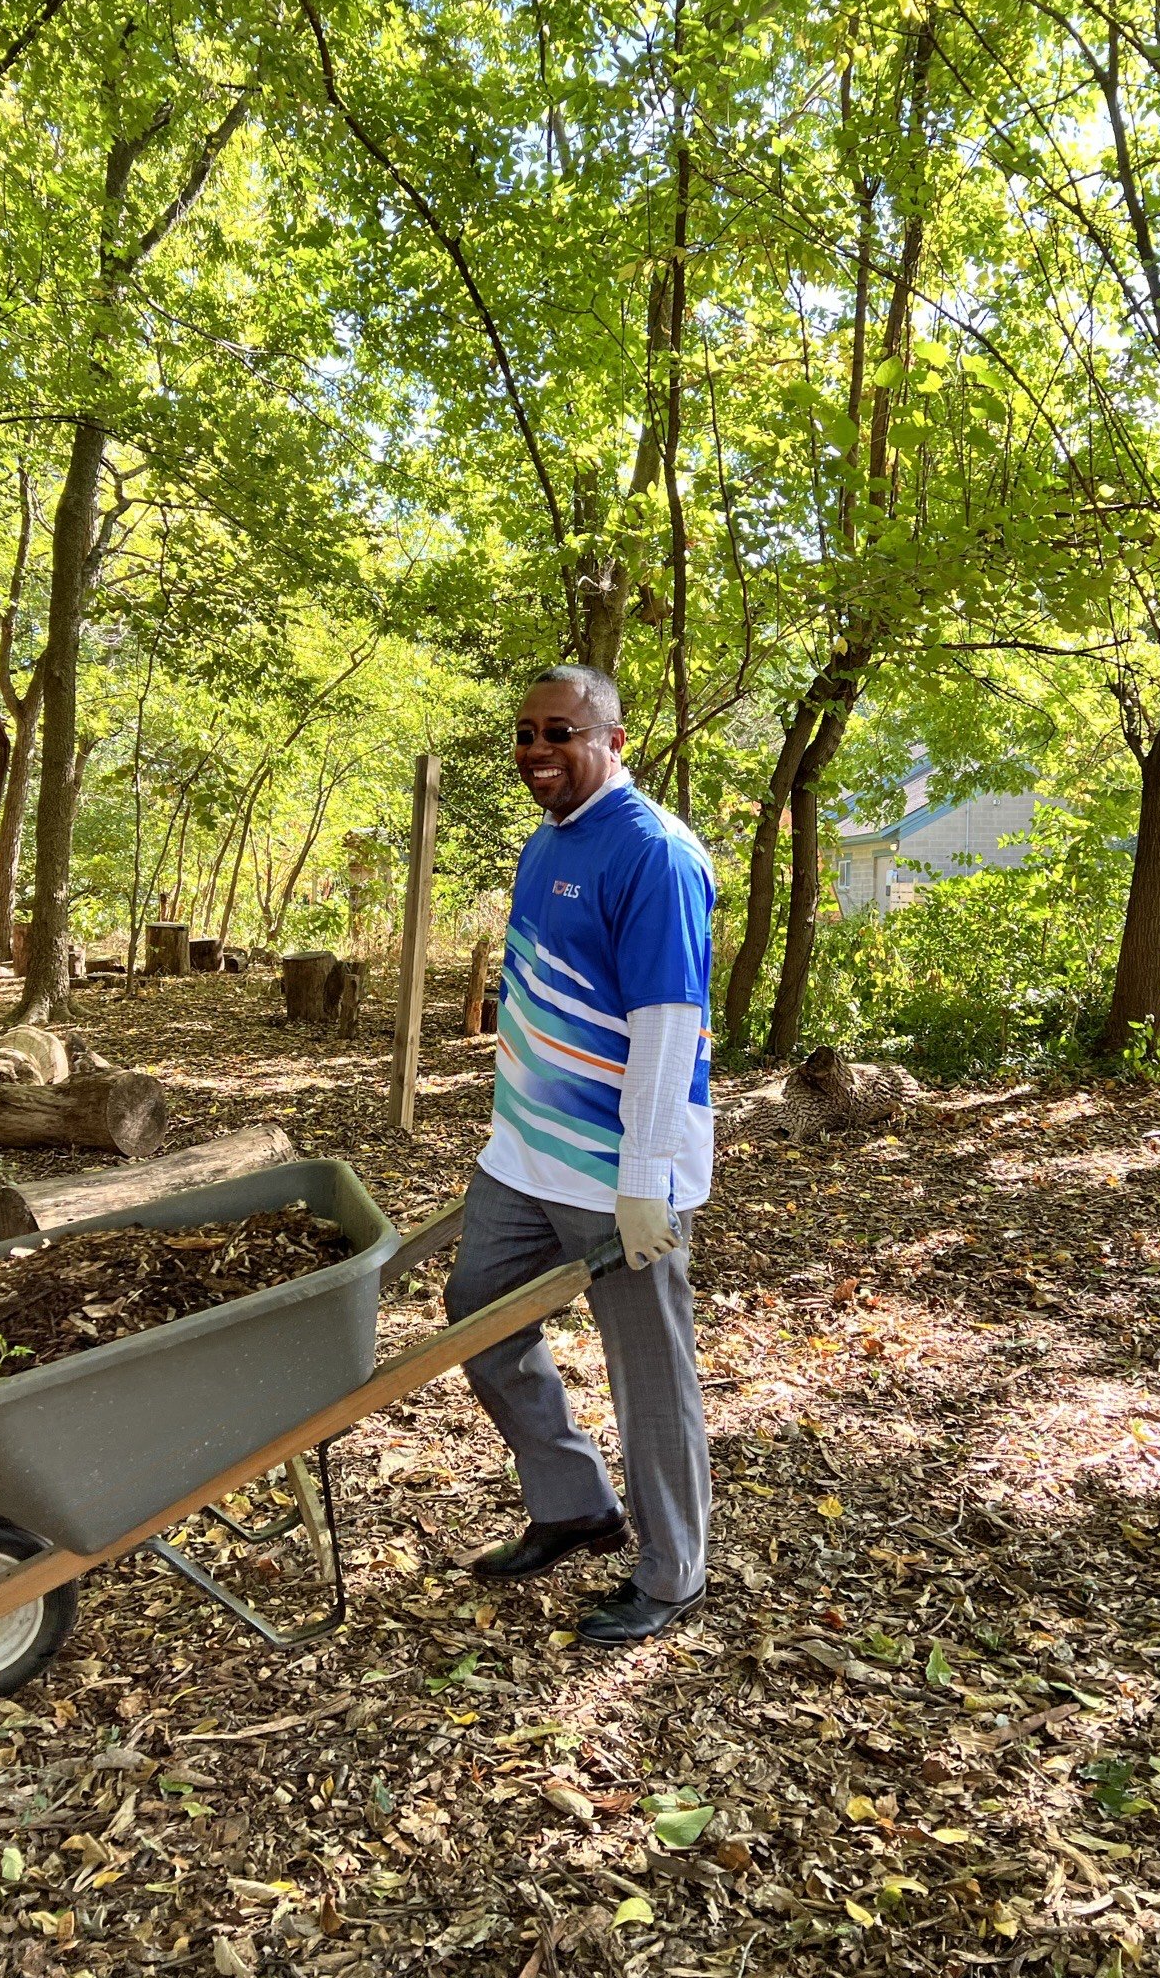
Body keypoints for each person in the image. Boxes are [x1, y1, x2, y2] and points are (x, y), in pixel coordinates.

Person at [445, 663, 715, 1647]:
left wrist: (645, 1179)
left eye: (559, 731)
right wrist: (503, 1127)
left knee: (649, 1373)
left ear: (615, 738)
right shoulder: (544, 843)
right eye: (523, 734)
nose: (537, 752)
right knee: (476, 1312)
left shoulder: (656, 854)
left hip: (618, 1173)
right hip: (524, 1160)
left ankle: (673, 1569)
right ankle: (572, 1503)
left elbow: (667, 1023)